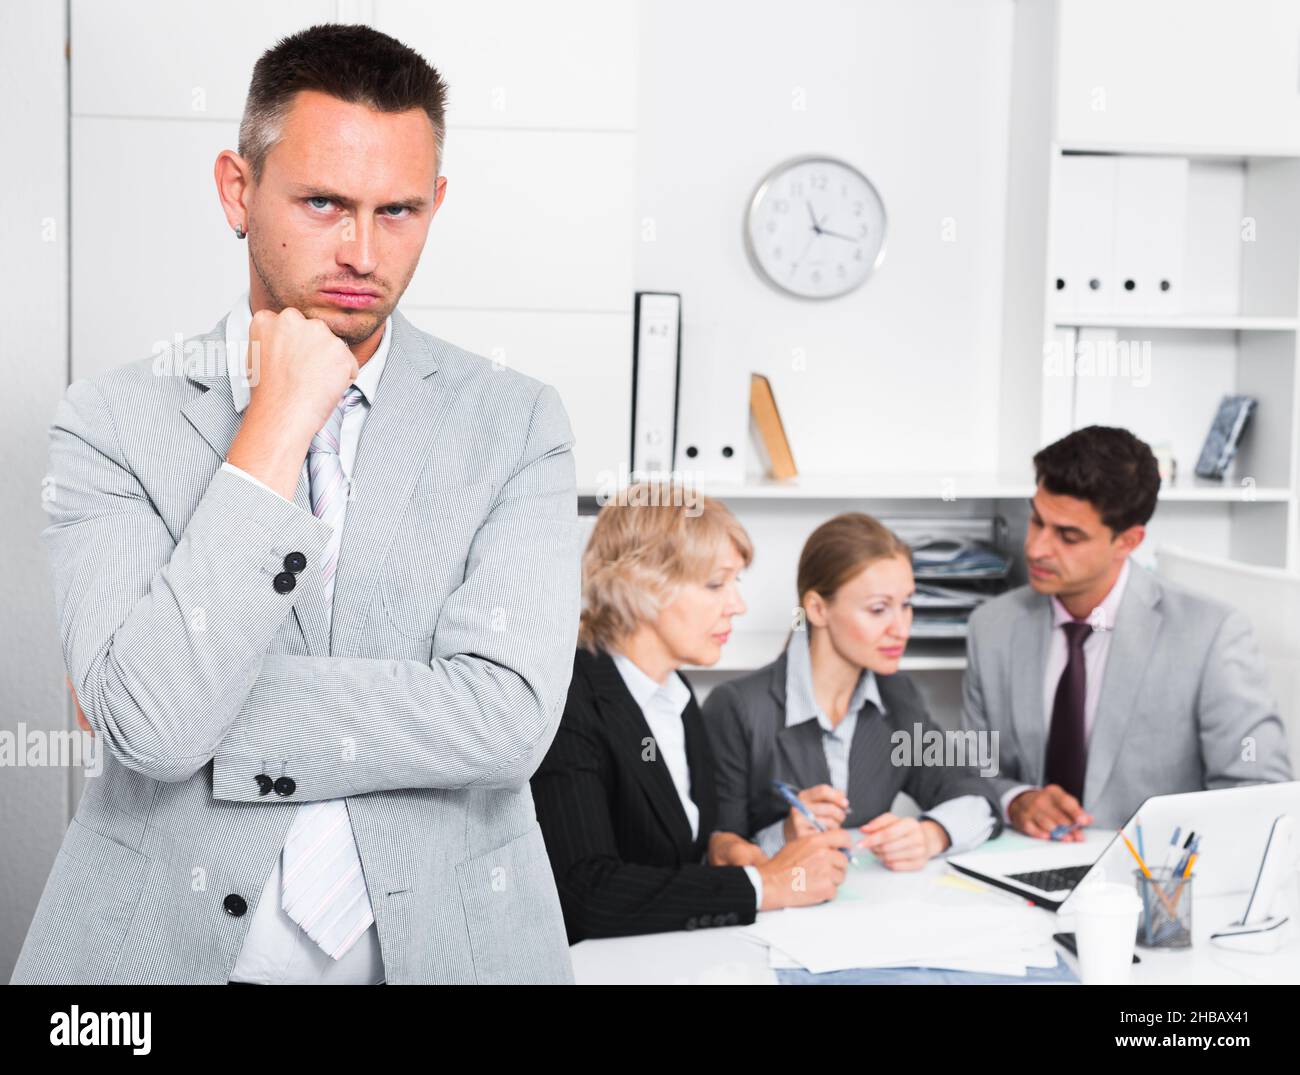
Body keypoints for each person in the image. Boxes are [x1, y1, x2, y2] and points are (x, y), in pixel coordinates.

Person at [13, 24, 583, 985]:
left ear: (436, 202)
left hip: (451, 956)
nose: (363, 251)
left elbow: (510, 717)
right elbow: (147, 728)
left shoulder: (517, 422)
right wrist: (274, 423)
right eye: (323, 202)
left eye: (398, 210)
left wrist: (173, 703)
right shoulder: (108, 421)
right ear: (239, 190)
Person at [531, 485, 852, 942]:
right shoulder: (570, 699)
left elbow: (665, 850)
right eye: (716, 584)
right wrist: (765, 885)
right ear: (642, 584)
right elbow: (587, 892)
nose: (737, 605)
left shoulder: (675, 692)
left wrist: (717, 849)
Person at [962, 425, 1293, 838]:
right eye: (1037, 520)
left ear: (1128, 541)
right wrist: (1018, 799)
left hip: (1154, 880)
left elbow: (1259, 793)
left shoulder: (1211, 635)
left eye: (1068, 535)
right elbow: (973, 769)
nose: (1036, 548)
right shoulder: (992, 627)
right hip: (1020, 873)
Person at [704, 513, 1002, 870]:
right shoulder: (738, 708)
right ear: (817, 609)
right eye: (878, 609)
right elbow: (715, 854)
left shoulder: (897, 698)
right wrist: (784, 836)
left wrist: (931, 834)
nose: (901, 628)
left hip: (866, 912)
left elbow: (976, 792)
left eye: (906, 604)